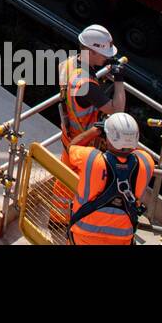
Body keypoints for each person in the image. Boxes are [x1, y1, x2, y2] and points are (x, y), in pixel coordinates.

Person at [52, 23, 127, 221]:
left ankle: (56, 219)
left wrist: (99, 73)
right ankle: (67, 220)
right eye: (104, 54)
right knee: (80, 186)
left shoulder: (69, 63)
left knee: (63, 182)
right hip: (83, 143)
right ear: (91, 52)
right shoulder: (86, 85)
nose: (107, 57)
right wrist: (119, 80)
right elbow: (117, 110)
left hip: (69, 136)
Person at [65, 112, 154, 245]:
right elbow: (135, 151)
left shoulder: (91, 158)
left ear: (108, 137)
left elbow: (71, 147)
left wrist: (96, 130)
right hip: (122, 238)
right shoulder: (146, 162)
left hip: (84, 236)